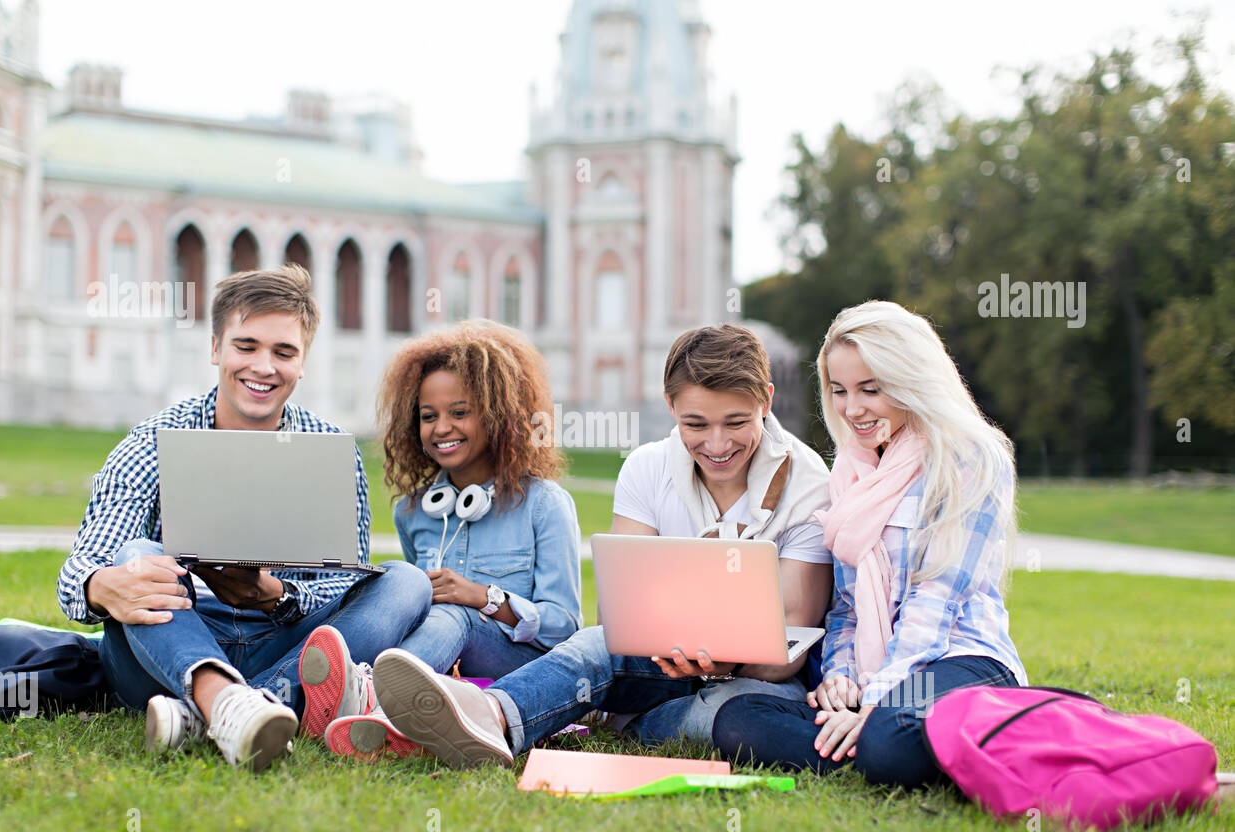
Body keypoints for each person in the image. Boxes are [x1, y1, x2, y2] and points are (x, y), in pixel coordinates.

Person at [363, 324, 835, 768]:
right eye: (696, 424)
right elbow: (620, 619)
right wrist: (668, 644)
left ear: (766, 401)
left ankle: (634, 726)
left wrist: (729, 657)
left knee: (724, 716)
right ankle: (489, 717)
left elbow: (789, 646)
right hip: (660, 661)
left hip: (752, 679)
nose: (716, 444)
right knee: (593, 644)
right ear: (670, 407)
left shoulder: (808, 484)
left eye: (736, 422)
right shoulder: (647, 467)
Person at [55, 265, 431, 771]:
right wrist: (103, 585)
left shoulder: (330, 451)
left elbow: (338, 585)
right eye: (246, 346)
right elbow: (81, 569)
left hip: (283, 639)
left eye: (284, 352)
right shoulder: (154, 439)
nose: (264, 366)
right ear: (215, 349)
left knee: (407, 582)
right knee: (137, 556)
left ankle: (210, 710)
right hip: (169, 643)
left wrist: (275, 596)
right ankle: (229, 698)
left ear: (303, 364)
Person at [711, 300, 1028, 788]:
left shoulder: (971, 458)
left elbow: (935, 602)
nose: (852, 409)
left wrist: (877, 699)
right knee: (736, 719)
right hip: (873, 673)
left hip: (958, 658)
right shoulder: (851, 469)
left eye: (871, 389)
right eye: (839, 390)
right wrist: (840, 678)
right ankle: (890, 741)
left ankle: (886, 736)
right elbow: (846, 608)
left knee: (888, 741)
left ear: (909, 379)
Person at [324, 319, 582, 761]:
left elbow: (565, 628)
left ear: (499, 415)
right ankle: (366, 699)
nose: (442, 427)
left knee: (456, 616)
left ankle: (373, 706)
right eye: (429, 417)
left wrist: (485, 598)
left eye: (459, 412)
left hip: (521, 670)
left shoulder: (545, 505)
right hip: (443, 667)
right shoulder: (413, 511)